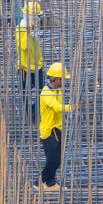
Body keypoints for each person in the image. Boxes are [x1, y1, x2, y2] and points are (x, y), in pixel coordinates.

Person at [38, 62, 73, 191]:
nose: (64, 81)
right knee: (54, 159)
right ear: (57, 79)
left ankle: (50, 183)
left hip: (57, 128)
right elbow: (57, 108)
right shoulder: (46, 93)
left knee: (56, 159)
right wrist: (72, 108)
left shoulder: (58, 90)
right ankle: (39, 182)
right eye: (63, 79)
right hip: (49, 130)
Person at [16, 1, 44, 121]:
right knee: (26, 94)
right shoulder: (20, 29)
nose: (37, 19)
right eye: (36, 17)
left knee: (41, 93)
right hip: (25, 68)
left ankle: (36, 112)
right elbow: (24, 46)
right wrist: (28, 32)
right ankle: (28, 116)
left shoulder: (33, 28)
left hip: (38, 66)